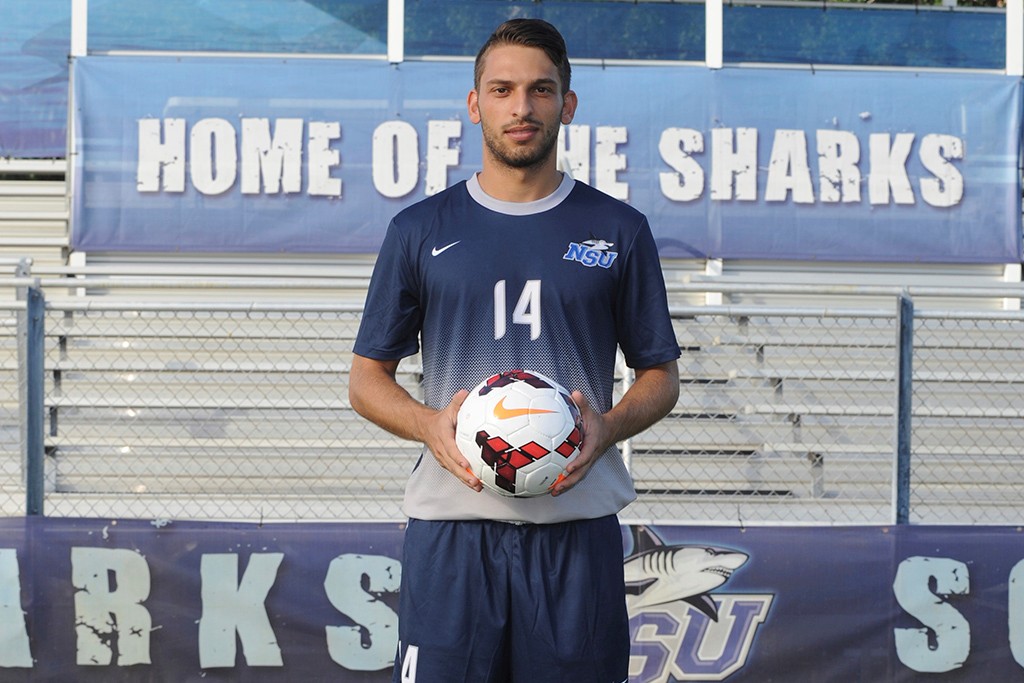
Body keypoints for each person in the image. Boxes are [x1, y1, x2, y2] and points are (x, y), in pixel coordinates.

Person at [349, 17, 680, 683]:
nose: (521, 107)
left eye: (540, 89)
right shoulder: (419, 229)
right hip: (453, 533)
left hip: (575, 533)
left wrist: (608, 427)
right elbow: (365, 381)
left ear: (568, 104)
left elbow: (661, 377)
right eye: (502, 90)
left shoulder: (619, 230)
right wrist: (428, 424)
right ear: (475, 105)